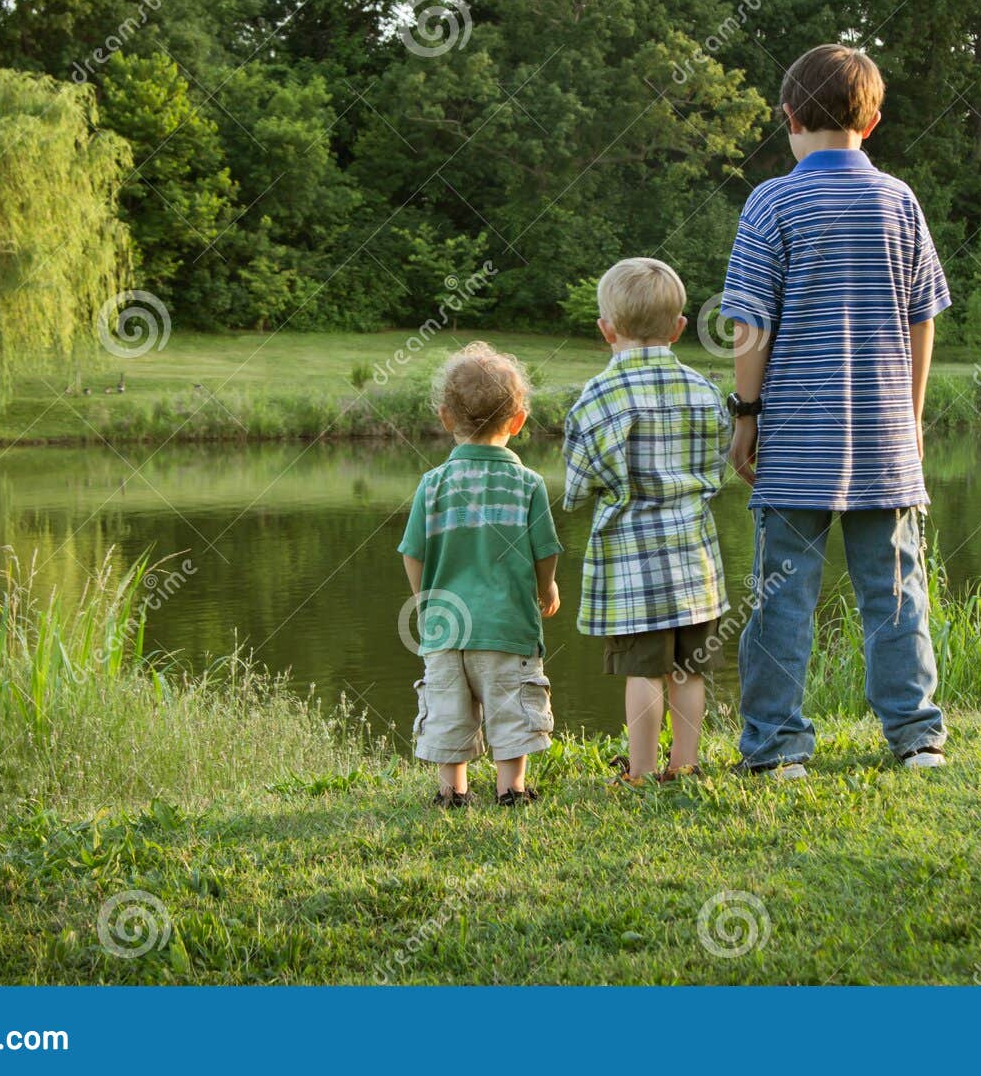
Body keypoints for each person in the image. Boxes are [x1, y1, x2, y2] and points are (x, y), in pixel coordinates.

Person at [721, 44, 950, 779]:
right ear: (873, 121)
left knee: (782, 598)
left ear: (788, 117)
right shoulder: (900, 201)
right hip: (887, 438)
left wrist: (746, 413)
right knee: (895, 593)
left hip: (794, 441)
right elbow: (922, 317)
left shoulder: (772, 202)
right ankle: (916, 737)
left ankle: (778, 747)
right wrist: (911, 418)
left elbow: (750, 324)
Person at [563, 258, 730, 787]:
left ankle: (639, 772)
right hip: (695, 559)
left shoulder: (597, 397)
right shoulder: (704, 391)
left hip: (631, 562)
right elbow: (718, 462)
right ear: (680, 329)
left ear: (606, 329)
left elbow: (576, 486)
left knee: (642, 669)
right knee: (688, 668)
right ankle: (685, 763)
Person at [398, 341, 563, 807]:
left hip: (446, 627)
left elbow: (412, 552)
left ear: (446, 417)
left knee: (449, 710)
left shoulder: (432, 484)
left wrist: (426, 599)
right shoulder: (527, 483)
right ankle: (511, 790)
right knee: (512, 709)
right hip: (507, 625)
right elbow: (544, 549)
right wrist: (545, 586)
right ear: (518, 421)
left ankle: (453, 792)